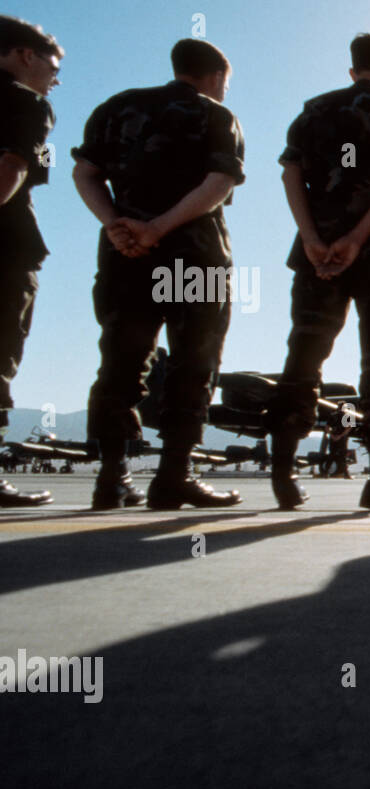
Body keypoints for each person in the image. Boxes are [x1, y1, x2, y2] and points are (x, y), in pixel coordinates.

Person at [73, 38, 245, 509]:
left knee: (121, 362)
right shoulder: (215, 114)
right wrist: (161, 227)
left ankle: (111, 477)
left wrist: (115, 224)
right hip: (195, 258)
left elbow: (84, 172)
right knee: (194, 365)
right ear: (215, 78)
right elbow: (220, 181)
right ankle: (174, 475)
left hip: (125, 256)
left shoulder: (116, 108)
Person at [265, 30, 370, 512]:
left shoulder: (313, 111)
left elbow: (290, 174)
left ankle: (283, 475)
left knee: (303, 355)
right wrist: (358, 238)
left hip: (317, 255)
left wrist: (314, 239)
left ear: (352, 69)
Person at [0, 15, 61, 507]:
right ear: (25, 56)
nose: (55, 78)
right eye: (52, 66)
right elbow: (13, 167)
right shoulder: (25, 103)